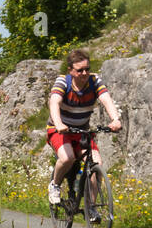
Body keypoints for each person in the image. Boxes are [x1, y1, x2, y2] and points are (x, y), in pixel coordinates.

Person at [47, 49, 121, 207]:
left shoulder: (94, 81)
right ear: (71, 71)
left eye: (87, 68)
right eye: (80, 70)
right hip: (60, 130)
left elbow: (106, 99)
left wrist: (115, 119)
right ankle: (55, 185)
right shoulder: (63, 82)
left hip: (82, 131)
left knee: (96, 164)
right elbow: (54, 102)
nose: (84, 73)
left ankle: (91, 207)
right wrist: (59, 123)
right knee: (67, 158)